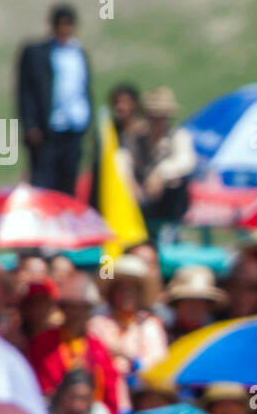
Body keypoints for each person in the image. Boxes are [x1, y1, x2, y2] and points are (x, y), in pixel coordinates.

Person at [17, 2, 93, 194]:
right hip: (47, 130)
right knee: (44, 184)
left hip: (74, 128)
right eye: (61, 23)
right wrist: (30, 125)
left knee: (68, 184)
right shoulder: (37, 53)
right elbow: (26, 91)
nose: (64, 28)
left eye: (69, 24)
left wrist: (86, 119)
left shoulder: (79, 54)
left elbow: (83, 88)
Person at [29, 272, 124, 414]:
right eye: (70, 307)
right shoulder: (44, 343)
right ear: (62, 309)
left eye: (82, 308)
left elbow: (109, 390)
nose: (76, 313)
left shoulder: (97, 346)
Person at [115, 86, 196, 242]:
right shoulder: (134, 138)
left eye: (161, 117)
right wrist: (130, 182)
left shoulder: (178, 136)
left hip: (170, 205)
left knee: (177, 183)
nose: (157, 122)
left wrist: (161, 173)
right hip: (140, 203)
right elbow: (122, 161)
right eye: (153, 117)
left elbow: (186, 162)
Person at [88, 254, 169, 377]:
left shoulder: (150, 326)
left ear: (141, 294)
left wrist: (131, 359)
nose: (127, 294)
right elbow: (92, 360)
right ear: (112, 292)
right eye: (121, 289)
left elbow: (158, 364)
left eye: (133, 290)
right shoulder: (98, 323)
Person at [162, 265, 225, 342]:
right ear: (177, 303)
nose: (195, 307)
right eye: (190, 300)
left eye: (201, 301)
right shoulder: (160, 335)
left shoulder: (216, 338)